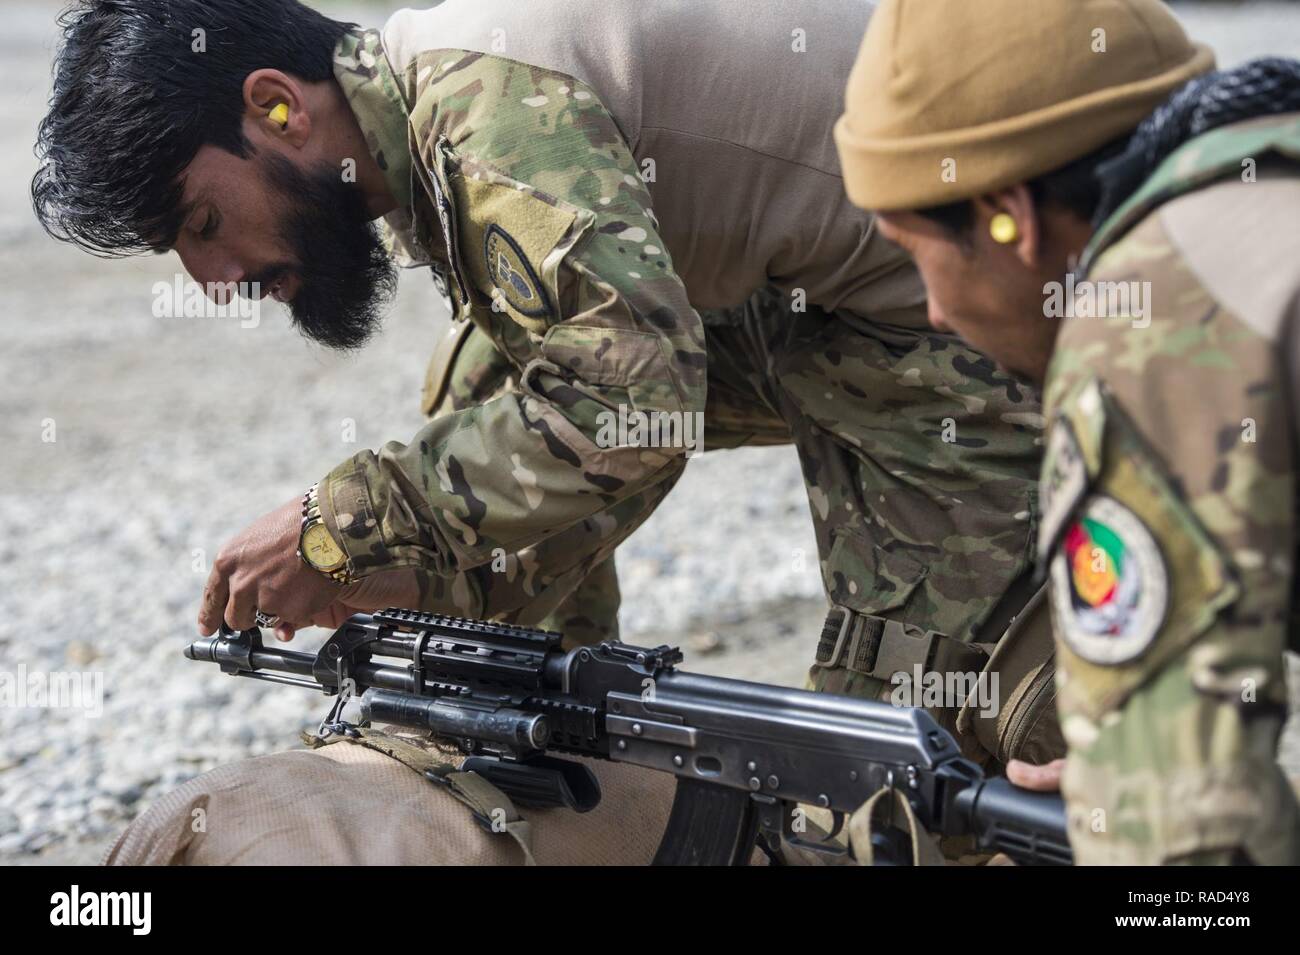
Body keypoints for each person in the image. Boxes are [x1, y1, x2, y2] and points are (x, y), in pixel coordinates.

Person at [34, 0, 1053, 864]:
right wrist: (430, 572)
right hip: (813, 304)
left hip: (966, 295)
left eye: (204, 225)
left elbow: (628, 401)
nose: (215, 284)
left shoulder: (488, 109)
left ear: (276, 107)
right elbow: (607, 388)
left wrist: (333, 522)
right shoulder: (422, 114)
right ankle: (514, 701)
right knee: (493, 367)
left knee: (878, 793)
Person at [834, 0, 1300, 864]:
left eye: (913, 251)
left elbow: (1191, 859)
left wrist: (1140, 801)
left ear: (1009, 214)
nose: (933, 309)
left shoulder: (1147, 322)